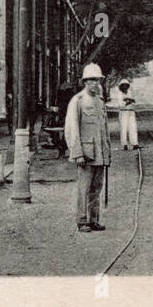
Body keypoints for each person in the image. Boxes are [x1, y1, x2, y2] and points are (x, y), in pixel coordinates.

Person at [65, 63, 111, 233]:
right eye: (91, 80)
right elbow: (72, 129)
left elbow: (104, 129)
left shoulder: (100, 102)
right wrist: (77, 153)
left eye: (97, 80)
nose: (94, 83)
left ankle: (94, 219)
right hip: (85, 153)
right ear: (84, 82)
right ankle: (82, 220)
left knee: (97, 187)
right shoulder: (78, 101)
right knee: (84, 188)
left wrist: (107, 153)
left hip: (99, 153)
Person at [116, 79, 138, 150]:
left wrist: (129, 100)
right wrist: (128, 101)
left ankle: (134, 143)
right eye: (123, 86)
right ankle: (124, 144)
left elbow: (134, 102)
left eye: (126, 85)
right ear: (121, 86)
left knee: (133, 127)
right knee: (123, 128)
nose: (125, 87)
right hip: (123, 112)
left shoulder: (130, 92)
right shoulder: (119, 94)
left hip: (131, 112)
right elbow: (121, 105)